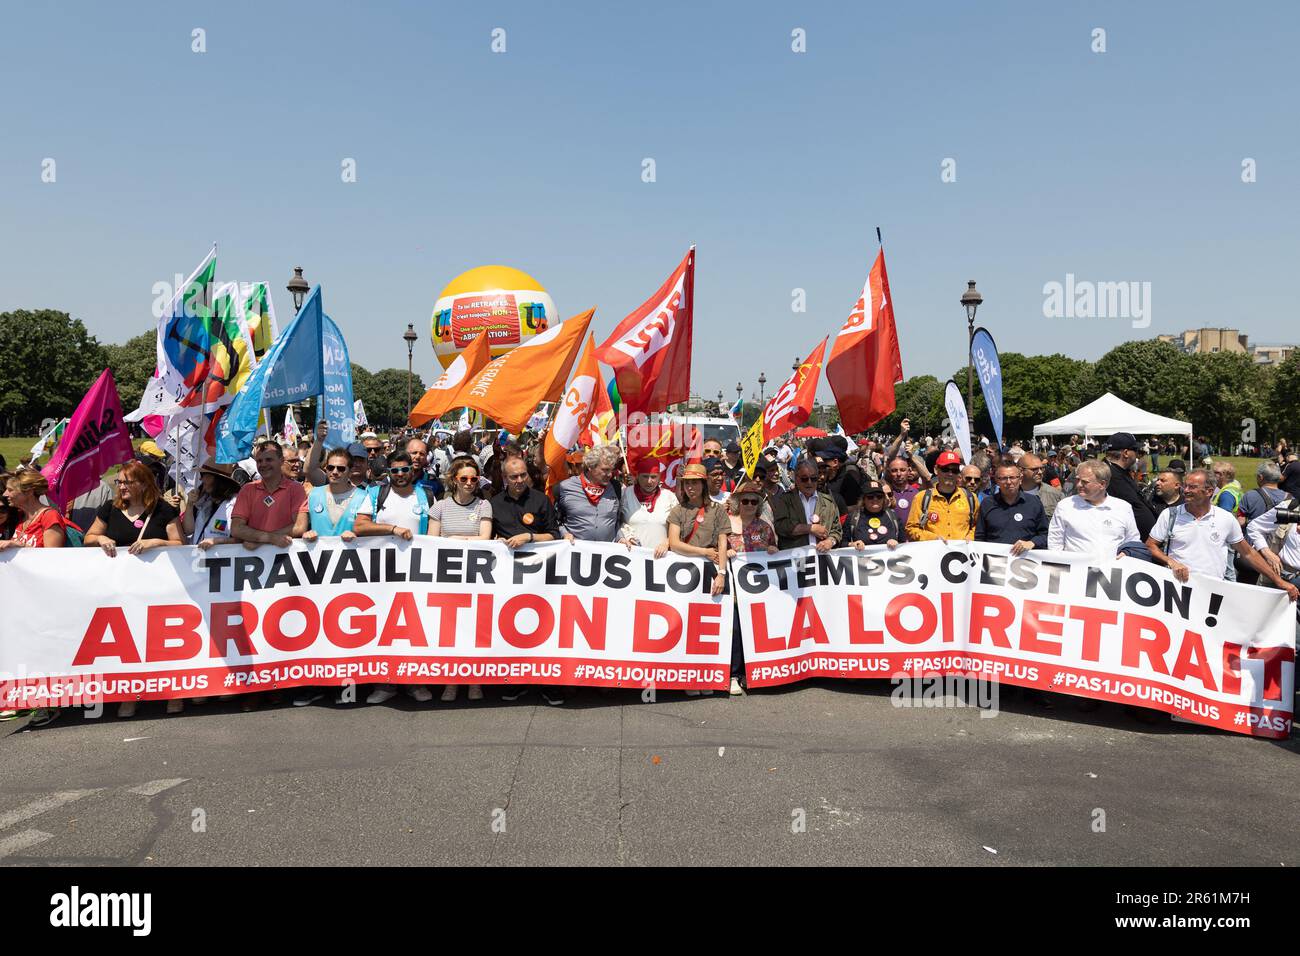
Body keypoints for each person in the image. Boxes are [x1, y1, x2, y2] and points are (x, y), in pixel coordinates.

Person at [1147, 470, 1297, 599]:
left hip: (1212, 592)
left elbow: (1249, 553)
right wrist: (1170, 562)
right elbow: (1150, 545)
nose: (1185, 490)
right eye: (1185, 485)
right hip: (1176, 590)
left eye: (1192, 487)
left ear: (1209, 491)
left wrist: (1278, 581)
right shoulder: (1170, 515)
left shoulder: (1225, 519)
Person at [426, 456, 494, 703]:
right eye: (463, 478)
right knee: (450, 632)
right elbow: (432, 540)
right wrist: (461, 541)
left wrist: (453, 539)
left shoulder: (483, 506)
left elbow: (485, 539)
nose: (469, 483)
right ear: (453, 480)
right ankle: (451, 681)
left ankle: (475, 681)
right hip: (447, 576)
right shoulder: (440, 507)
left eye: (473, 479)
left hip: (476, 575)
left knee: (474, 630)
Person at [668, 463, 731, 696]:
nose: (690, 487)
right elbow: (674, 543)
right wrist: (704, 552)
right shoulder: (678, 511)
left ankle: (707, 673)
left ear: (704, 485)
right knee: (686, 625)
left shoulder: (717, 510)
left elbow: (723, 542)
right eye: (687, 483)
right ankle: (689, 676)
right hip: (684, 574)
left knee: (709, 627)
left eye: (695, 482)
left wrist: (722, 573)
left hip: (712, 573)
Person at [723, 480, 777, 696]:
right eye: (745, 500)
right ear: (737, 502)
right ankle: (733, 675)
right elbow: (713, 548)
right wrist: (723, 552)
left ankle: (751, 672)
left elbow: (774, 548)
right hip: (734, 589)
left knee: (754, 632)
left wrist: (773, 549)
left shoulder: (764, 527)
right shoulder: (725, 524)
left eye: (754, 501)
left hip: (758, 591)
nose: (749, 504)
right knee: (735, 632)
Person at [1047, 460, 1139, 559]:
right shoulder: (1065, 506)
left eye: (1085, 482)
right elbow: (1054, 544)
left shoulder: (1123, 508)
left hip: (1112, 572)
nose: (1078, 485)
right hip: (1077, 572)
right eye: (1078, 480)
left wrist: (1127, 553)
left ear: (1102, 484)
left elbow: (1133, 541)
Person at [231, 441, 307, 552]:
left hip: (286, 559)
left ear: (281, 461)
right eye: (259, 461)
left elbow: (300, 527)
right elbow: (236, 528)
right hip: (253, 561)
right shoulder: (247, 490)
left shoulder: (296, 489)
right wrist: (270, 538)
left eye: (269, 460)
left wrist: (261, 539)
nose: (263, 464)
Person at [554, 446, 627, 544]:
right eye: (605, 470)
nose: (610, 474)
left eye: (611, 470)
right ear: (590, 467)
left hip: (607, 555)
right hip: (575, 553)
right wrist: (564, 533)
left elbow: (617, 521)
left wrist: (620, 537)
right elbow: (555, 521)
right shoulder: (564, 487)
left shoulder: (616, 487)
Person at [975, 463, 1048, 554]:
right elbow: (979, 538)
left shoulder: (1034, 503)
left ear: (1020, 479)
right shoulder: (987, 504)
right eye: (1004, 478)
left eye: (1013, 477)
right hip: (994, 563)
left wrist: (1032, 543)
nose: (1009, 482)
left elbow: (1045, 534)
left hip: (1026, 563)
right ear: (997, 481)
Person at [906, 451, 978, 542]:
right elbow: (911, 528)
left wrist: (970, 537)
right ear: (936, 469)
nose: (950, 473)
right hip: (933, 553)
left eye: (954, 470)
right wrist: (933, 538)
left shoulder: (971, 498)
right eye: (945, 469)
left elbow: (977, 526)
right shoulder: (921, 498)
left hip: (961, 553)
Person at [492, 453, 560, 549]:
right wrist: (498, 541)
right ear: (504, 477)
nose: (520, 480)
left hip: (536, 559)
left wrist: (529, 537)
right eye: (514, 477)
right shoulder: (495, 503)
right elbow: (489, 538)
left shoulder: (542, 500)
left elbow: (554, 535)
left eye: (523, 475)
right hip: (506, 560)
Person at [771, 460, 842, 551]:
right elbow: (780, 527)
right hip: (795, 559)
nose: (809, 482)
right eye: (804, 479)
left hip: (821, 559)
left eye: (813, 478)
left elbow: (837, 530)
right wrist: (809, 528)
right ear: (796, 479)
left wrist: (830, 541)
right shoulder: (785, 500)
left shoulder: (828, 502)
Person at [1103, 433, 1158, 540]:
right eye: (1135, 450)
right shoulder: (1108, 475)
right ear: (1126, 453)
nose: (1137, 454)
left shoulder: (1119, 471)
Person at [0, 471, 73, 550]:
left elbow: (52, 556)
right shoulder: (21, 516)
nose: (5, 494)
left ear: (29, 492)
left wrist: (20, 545)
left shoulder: (50, 516)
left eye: (10, 490)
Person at [619, 460, 677, 557]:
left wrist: (668, 542)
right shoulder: (625, 494)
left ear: (659, 477)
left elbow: (680, 527)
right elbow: (615, 522)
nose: (649, 481)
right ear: (637, 476)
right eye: (645, 476)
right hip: (632, 556)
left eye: (653, 477)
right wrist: (625, 536)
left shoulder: (669, 497)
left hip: (662, 559)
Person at [184, 463, 241, 548]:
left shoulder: (236, 504)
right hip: (196, 558)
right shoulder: (202, 500)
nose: (201, 479)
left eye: (204, 475)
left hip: (221, 559)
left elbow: (242, 539)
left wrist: (216, 541)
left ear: (218, 480)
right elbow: (188, 530)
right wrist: (189, 504)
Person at [848, 479, 902, 549]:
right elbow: (843, 543)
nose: (875, 499)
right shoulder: (853, 518)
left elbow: (904, 542)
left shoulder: (894, 517)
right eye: (870, 497)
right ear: (863, 499)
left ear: (883, 498)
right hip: (862, 558)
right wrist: (853, 544)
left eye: (879, 496)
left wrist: (896, 543)